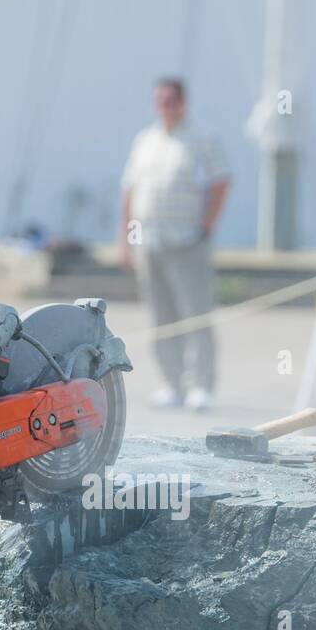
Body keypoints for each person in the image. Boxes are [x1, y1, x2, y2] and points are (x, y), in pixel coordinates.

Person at [118, 77, 230, 411]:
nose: (164, 107)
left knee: (194, 313)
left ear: (182, 103)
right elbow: (130, 191)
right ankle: (172, 382)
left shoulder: (202, 137)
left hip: (186, 241)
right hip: (150, 241)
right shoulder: (145, 140)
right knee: (159, 316)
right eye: (159, 101)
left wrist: (205, 226)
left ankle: (201, 385)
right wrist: (126, 240)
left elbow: (220, 180)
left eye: (170, 101)